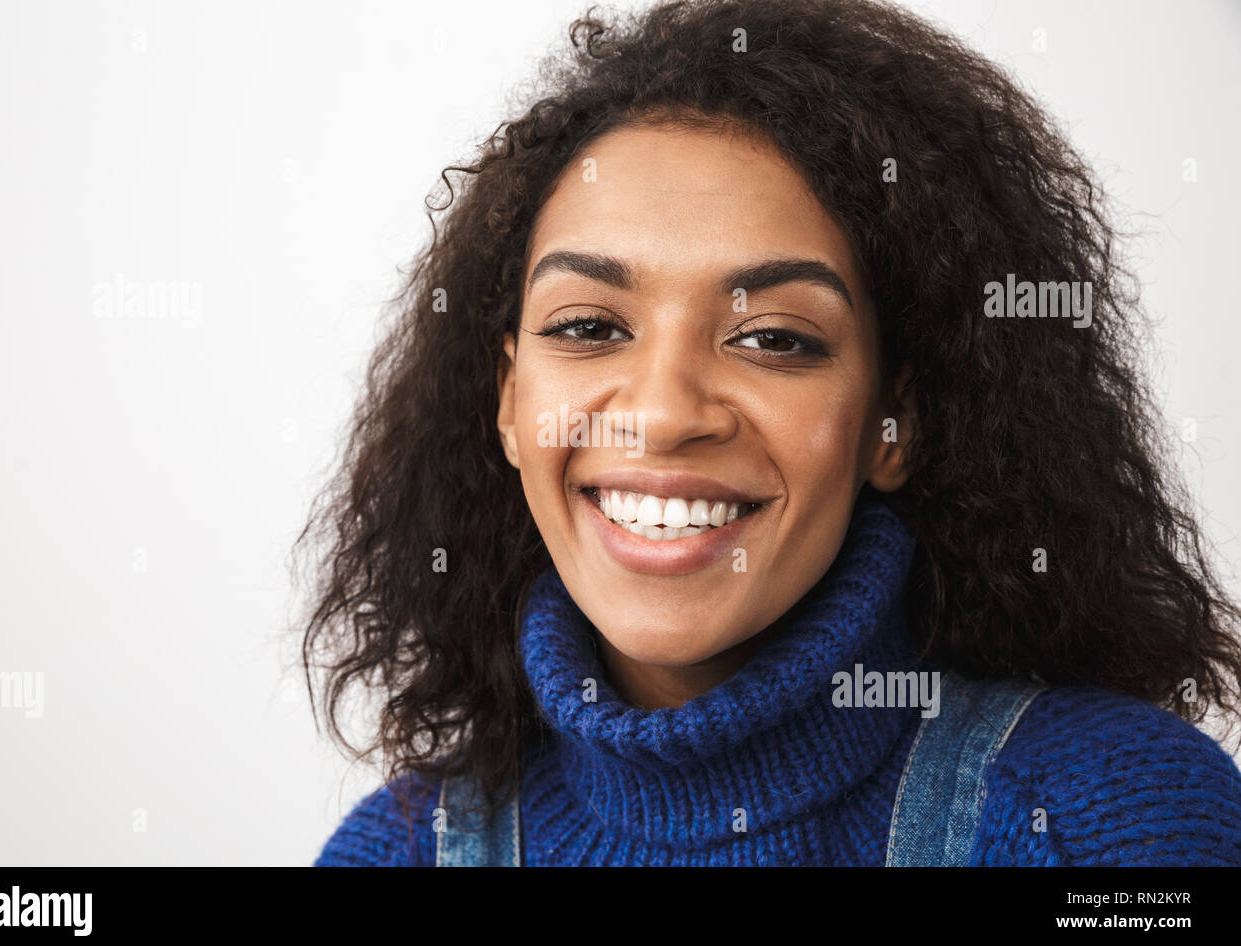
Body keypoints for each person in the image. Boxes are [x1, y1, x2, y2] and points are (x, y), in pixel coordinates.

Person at [298, 0, 1241, 866]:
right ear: (510, 400)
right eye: (588, 327)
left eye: (773, 339)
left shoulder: (1108, 829)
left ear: (894, 421)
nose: (663, 415)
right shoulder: (399, 852)